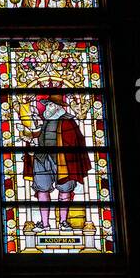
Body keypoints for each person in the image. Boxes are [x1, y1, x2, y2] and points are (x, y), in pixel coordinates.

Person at [22, 91, 92, 231]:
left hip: (63, 161)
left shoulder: (68, 122)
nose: (48, 108)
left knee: (65, 190)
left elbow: (76, 142)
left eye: (51, 105)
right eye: (47, 105)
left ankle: (63, 222)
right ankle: (45, 224)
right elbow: (35, 137)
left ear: (59, 107)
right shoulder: (42, 121)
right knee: (42, 190)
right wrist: (31, 142)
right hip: (42, 159)